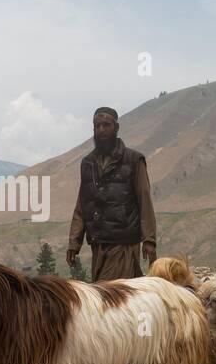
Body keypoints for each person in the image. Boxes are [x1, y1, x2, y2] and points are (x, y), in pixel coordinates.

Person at [67, 107, 157, 281]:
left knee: (115, 297)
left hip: (123, 244)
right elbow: (82, 205)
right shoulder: (88, 163)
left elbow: (144, 200)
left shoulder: (133, 160)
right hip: (98, 244)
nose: (101, 130)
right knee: (107, 298)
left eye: (106, 125)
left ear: (116, 127)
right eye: (97, 126)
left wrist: (149, 240)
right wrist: (74, 242)